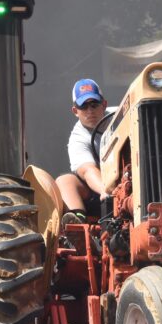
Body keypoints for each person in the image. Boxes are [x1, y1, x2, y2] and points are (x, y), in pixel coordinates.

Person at [56, 79, 111, 223]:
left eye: (94, 104)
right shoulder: (78, 138)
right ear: (75, 111)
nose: (90, 111)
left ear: (104, 104)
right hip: (101, 195)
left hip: (133, 181)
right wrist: (106, 191)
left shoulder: (122, 115)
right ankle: (78, 222)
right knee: (65, 181)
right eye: (84, 106)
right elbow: (87, 171)